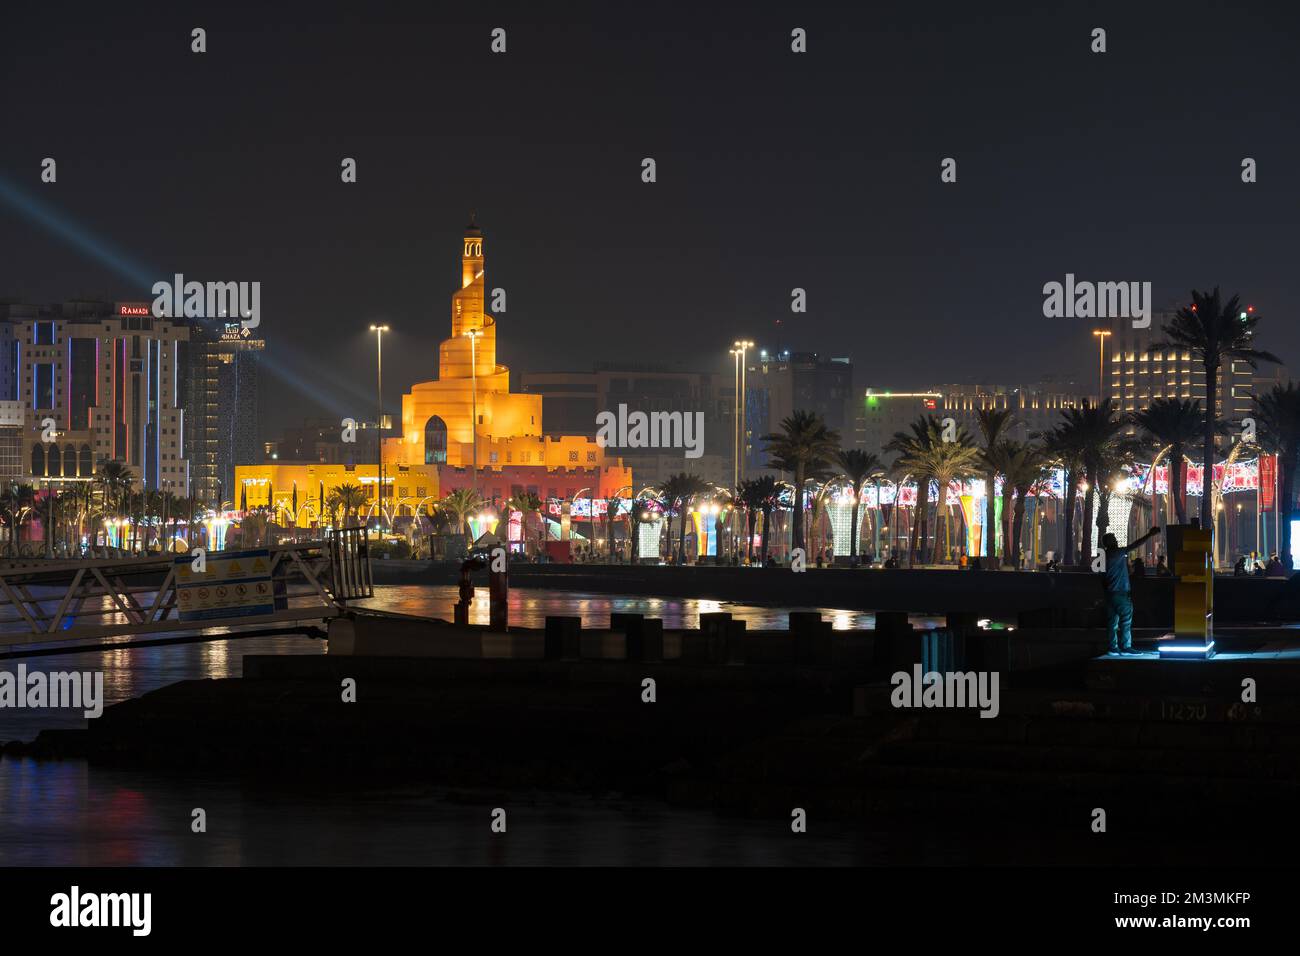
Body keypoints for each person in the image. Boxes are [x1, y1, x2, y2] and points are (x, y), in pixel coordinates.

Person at [1101, 526, 1162, 656]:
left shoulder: (1105, 555)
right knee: (1126, 620)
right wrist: (1149, 534)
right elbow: (1134, 545)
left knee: (1112, 622)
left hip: (1110, 593)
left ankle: (1113, 648)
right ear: (1110, 543)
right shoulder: (1117, 553)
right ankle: (1126, 647)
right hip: (1121, 593)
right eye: (1114, 539)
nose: (1116, 541)